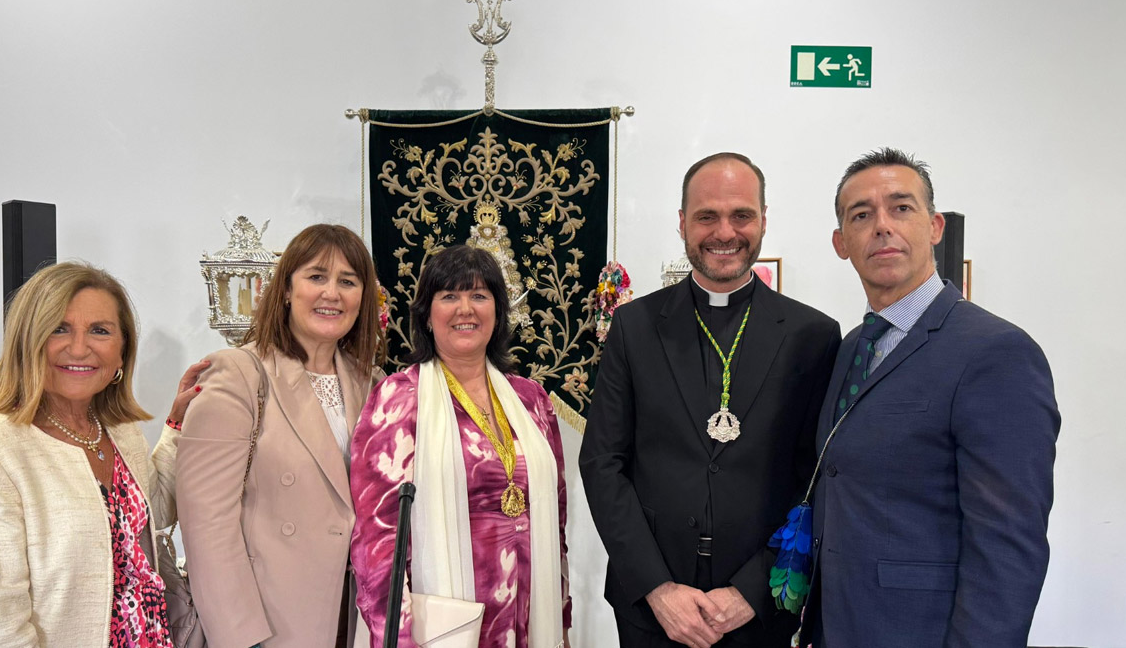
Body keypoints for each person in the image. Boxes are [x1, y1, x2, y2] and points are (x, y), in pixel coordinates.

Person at [580, 152, 841, 648]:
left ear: (764, 219)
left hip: (759, 610)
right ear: (682, 223)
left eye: (741, 215)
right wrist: (657, 588)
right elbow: (601, 462)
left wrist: (753, 590)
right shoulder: (634, 327)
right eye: (706, 216)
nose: (725, 232)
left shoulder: (814, 335)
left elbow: (814, 477)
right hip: (651, 607)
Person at [806, 148, 1059, 647]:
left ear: (935, 226)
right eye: (861, 214)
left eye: (901, 208)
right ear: (841, 242)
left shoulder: (996, 352)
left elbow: (1008, 547)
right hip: (839, 627)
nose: (882, 226)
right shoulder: (851, 347)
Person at [0, 261, 206, 647]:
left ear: (122, 352)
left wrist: (178, 427)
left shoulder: (117, 430)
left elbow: (148, 516)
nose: (79, 347)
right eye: (59, 328)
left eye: (100, 330)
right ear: (28, 341)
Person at [351, 244, 571, 648]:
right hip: (444, 627)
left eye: (479, 295)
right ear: (427, 315)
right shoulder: (399, 399)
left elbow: (556, 527)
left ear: (498, 312)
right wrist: (397, 638)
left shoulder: (531, 400)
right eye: (449, 295)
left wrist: (562, 621)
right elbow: (377, 541)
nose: (465, 309)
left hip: (530, 619)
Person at [176, 224, 384, 648]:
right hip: (272, 620)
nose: (332, 293)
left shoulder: (374, 384)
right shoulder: (238, 374)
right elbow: (207, 523)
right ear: (286, 288)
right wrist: (240, 637)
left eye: (348, 281)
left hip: (355, 616)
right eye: (316, 276)